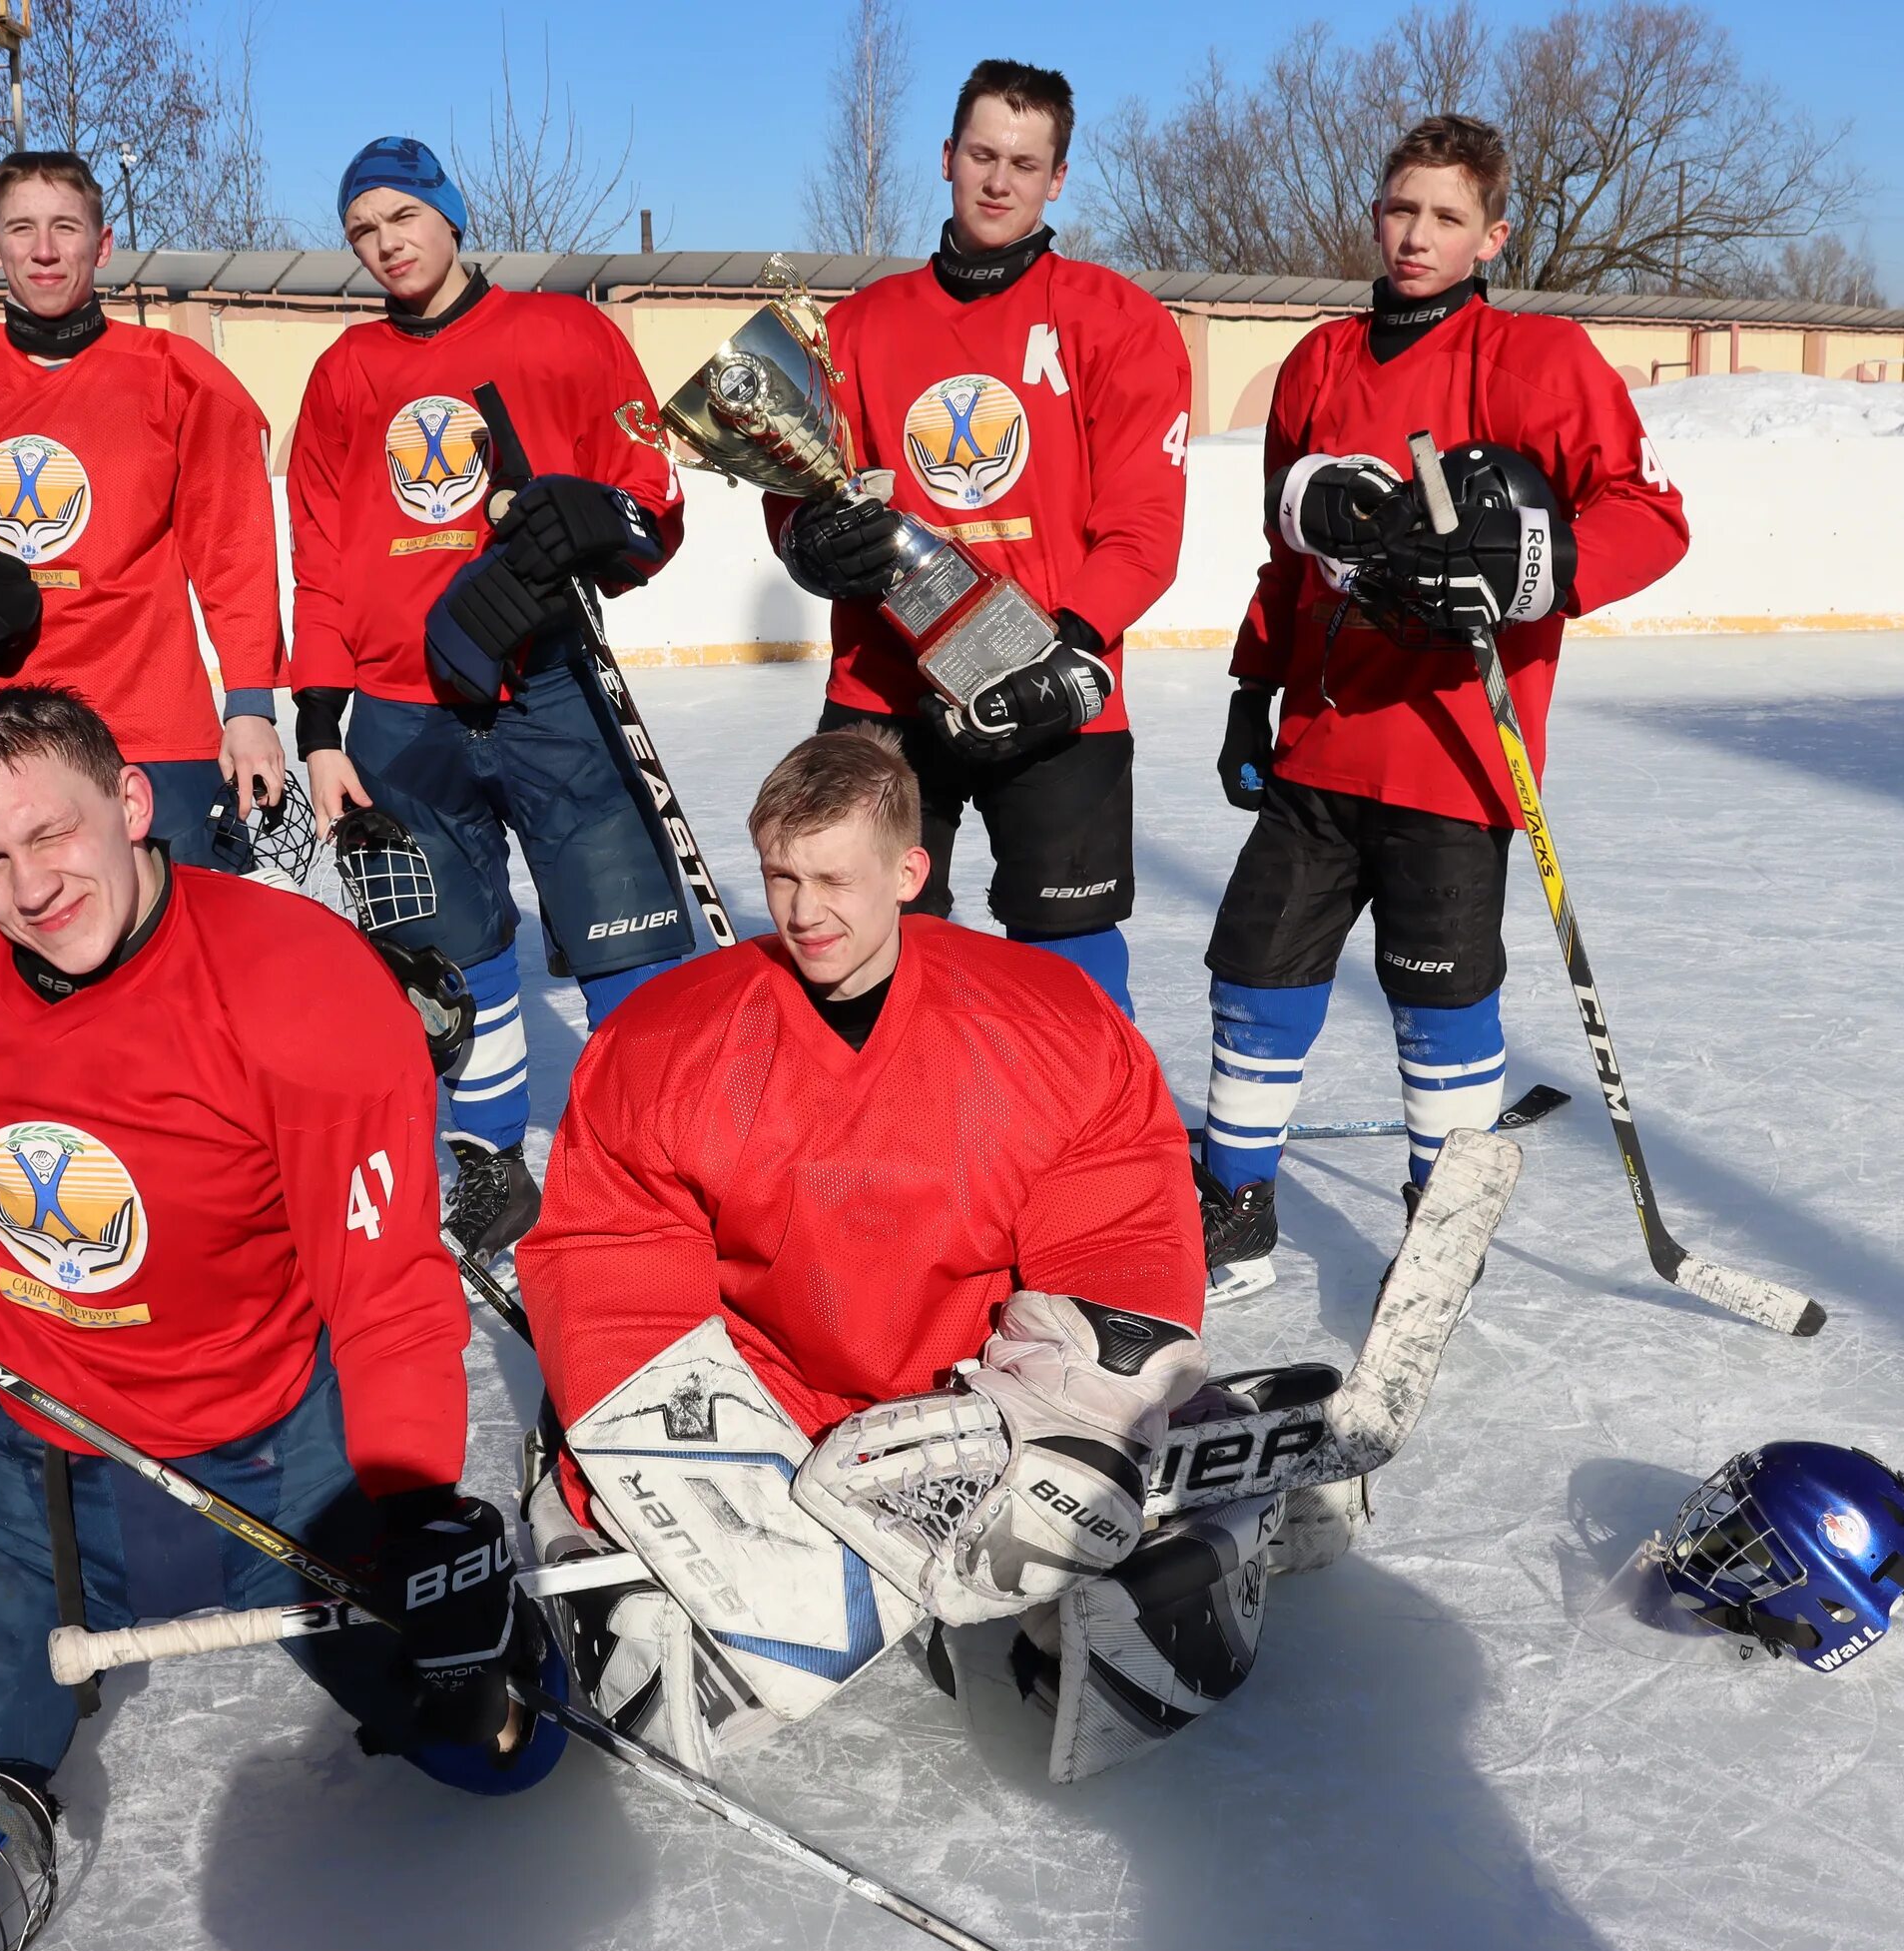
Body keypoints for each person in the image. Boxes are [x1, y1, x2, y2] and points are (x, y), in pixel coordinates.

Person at [0, 689, 556, 1951]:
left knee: (498, 1737)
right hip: (18, 1462)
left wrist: (420, 1514)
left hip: (276, 1452)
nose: (29, 886)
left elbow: (383, 1294)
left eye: (53, 836)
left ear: (134, 806)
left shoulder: (297, 984)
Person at [516, 728, 1219, 1778]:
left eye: (835, 877)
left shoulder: (1049, 1019)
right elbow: (612, 1253)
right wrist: (686, 1451)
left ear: (908, 871)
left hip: (970, 1405)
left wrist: (1069, 1405)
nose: (803, 911)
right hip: (775, 1402)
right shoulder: (664, 1042)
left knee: (1126, 1569)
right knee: (680, 1673)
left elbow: (1116, 1222)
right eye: (782, 877)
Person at [1197, 112, 1689, 1303]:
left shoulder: (1538, 360)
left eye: (1447, 217)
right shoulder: (1318, 365)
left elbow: (1648, 514)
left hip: (1456, 755)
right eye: (1400, 208)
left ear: (1492, 235)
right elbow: (1285, 553)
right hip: (1322, 742)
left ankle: (1440, 1213)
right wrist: (1253, 684)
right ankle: (1238, 1205)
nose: (1416, 236)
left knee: (1440, 994)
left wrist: (1540, 565)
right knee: (1255, 970)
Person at [289, 135, 694, 1283]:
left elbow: (651, 492)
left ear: (450, 217)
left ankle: (658, 1166)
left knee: (631, 942)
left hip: (551, 685)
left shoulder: (564, 333)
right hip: (398, 711)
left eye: (402, 218)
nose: (386, 245)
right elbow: (316, 555)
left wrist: (601, 518)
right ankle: (490, 1161)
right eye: (363, 231)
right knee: (449, 958)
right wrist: (319, 725)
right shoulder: (344, 375)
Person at [764, 59, 1190, 1018]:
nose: (1000, 182)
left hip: (1051, 684)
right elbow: (800, 491)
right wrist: (803, 541)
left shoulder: (1118, 321)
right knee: (875, 934)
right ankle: (895, 1144)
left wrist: (1069, 649)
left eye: (1026, 164)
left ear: (1058, 179)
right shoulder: (861, 326)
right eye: (984, 156)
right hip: (886, 691)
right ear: (948, 157)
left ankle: (1087, 1146)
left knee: (1068, 945)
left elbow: (1144, 525)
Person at [0, 151, 287, 868]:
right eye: (22, 228)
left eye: (66, 228)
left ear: (101, 245)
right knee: (32, 957)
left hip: (152, 732)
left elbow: (234, 551)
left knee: (174, 955)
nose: (44, 250)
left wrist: (251, 704)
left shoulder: (180, 380)